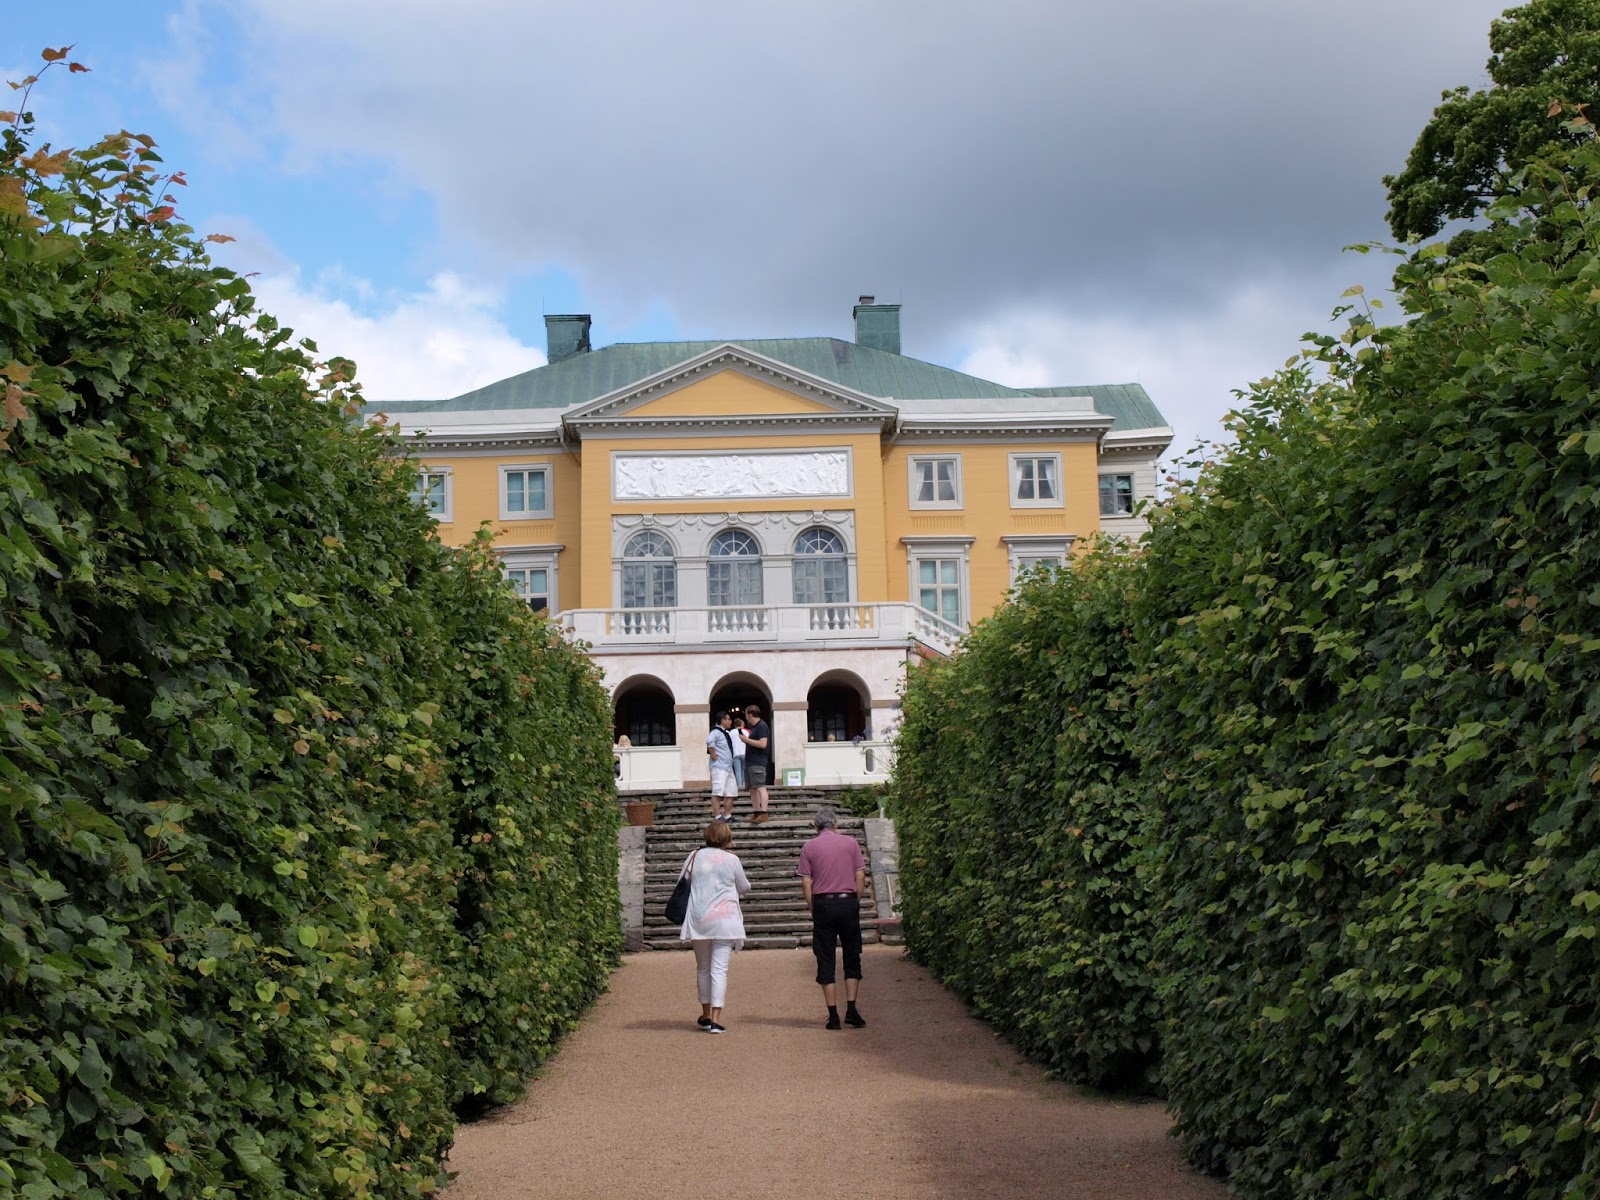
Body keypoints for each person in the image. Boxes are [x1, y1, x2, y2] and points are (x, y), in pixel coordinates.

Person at [678, 820, 751, 1034]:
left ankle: (706, 1013)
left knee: (703, 967)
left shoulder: (694, 856)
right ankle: (716, 1020)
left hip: (700, 918)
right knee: (719, 969)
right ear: (727, 837)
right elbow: (744, 886)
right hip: (725, 919)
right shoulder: (732, 859)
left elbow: (682, 881)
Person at [797, 806, 866, 1029]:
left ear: (816, 826)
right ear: (835, 824)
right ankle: (852, 1009)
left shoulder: (809, 847)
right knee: (852, 953)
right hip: (847, 901)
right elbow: (860, 873)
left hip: (823, 903)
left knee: (825, 956)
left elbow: (806, 881)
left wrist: (812, 907)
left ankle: (833, 1015)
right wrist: (855, 900)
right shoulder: (851, 843)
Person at [738, 703, 772, 824]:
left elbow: (763, 744)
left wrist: (746, 740)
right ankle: (757, 812)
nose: (745, 717)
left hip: (758, 761)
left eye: (746, 714)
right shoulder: (754, 727)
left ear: (750, 714)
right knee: (752, 789)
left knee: (760, 786)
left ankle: (764, 813)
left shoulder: (762, 726)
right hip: (750, 762)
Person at [705, 711, 738, 822]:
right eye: (728, 719)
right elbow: (709, 741)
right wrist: (713, 755)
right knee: (718, 792)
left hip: (728, 767)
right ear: (723, 720)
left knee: (731, 792)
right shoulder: (716, 732)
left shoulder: (725, 733)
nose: (730, 721)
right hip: (719, 767)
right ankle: (718, 816)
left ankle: (728, 815)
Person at [729, 713, 747, 790]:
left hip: (735, 753)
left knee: (737, 771)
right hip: (744, 753)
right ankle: (744, 784)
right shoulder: (745, 732)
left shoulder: (731, 732)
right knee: (743, 771)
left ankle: (739, 787)